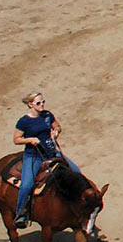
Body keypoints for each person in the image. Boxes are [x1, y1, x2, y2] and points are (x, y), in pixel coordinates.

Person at [12, 92, 83, 228]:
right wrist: (30, 139)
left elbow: (57, 126)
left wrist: (56, 131)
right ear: (30, 104)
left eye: (43, 102)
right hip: (34, 156)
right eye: (38, 103)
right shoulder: (24, 122)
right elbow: (16, 139)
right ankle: (20, 213)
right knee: (27, 184)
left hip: (52, 152)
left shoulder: (47, 115)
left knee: (75, 171)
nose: (42, 105)